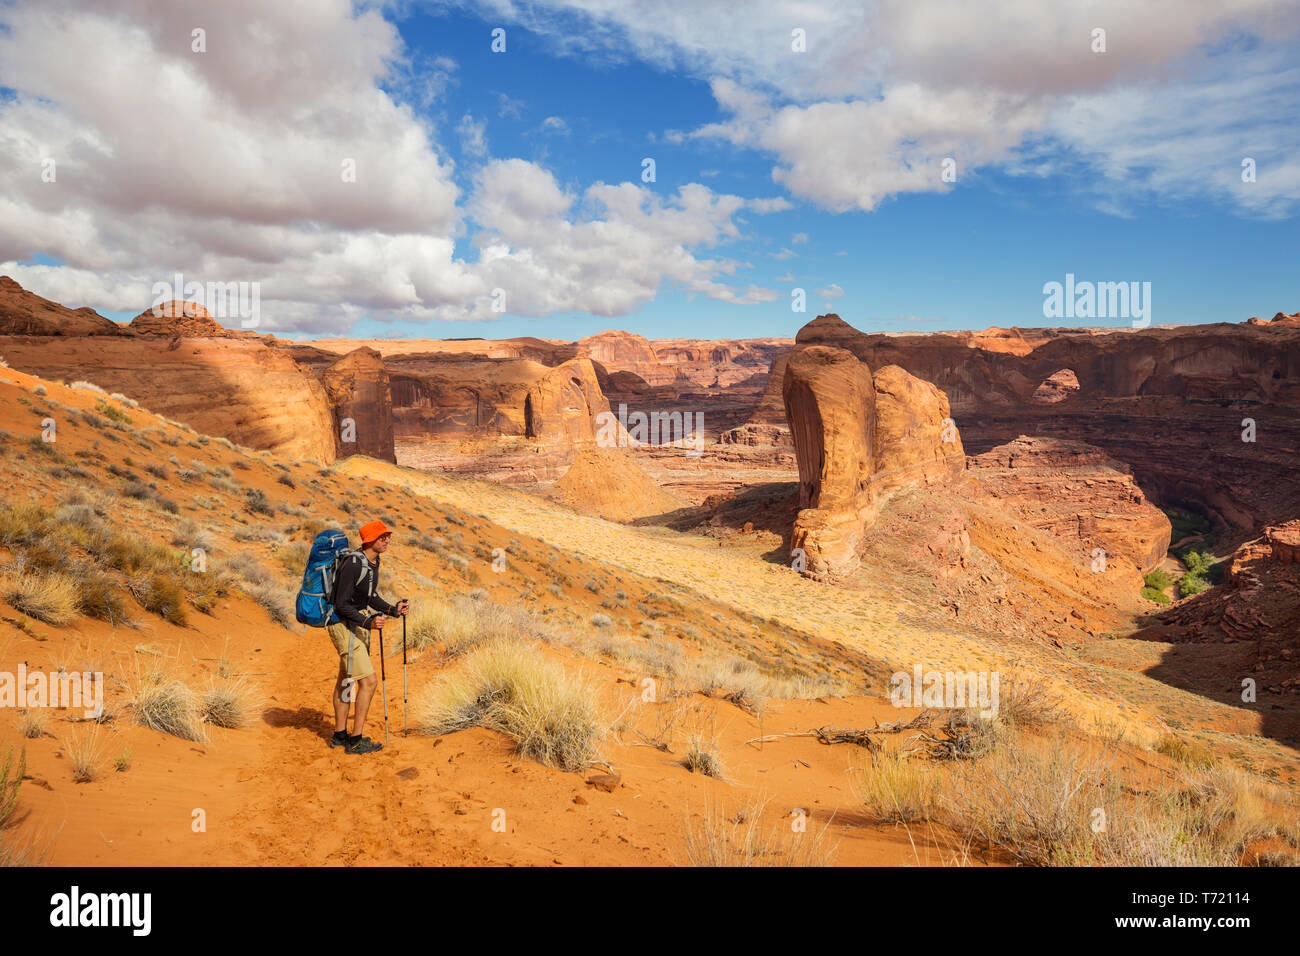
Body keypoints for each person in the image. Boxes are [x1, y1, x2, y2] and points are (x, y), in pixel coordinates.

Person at [327, 520, 409, 754]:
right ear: (369, 540)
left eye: (388, 537)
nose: (387, 541)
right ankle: (356, 739)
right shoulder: (354, 564)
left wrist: (393, 610)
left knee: (346, 679)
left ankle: (339, 735)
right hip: (343, 625)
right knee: (369, 681)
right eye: (382, 537)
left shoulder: (373, 562)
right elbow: (342, 605)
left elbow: (370, 596)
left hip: (356, 624)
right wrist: (368, 622)